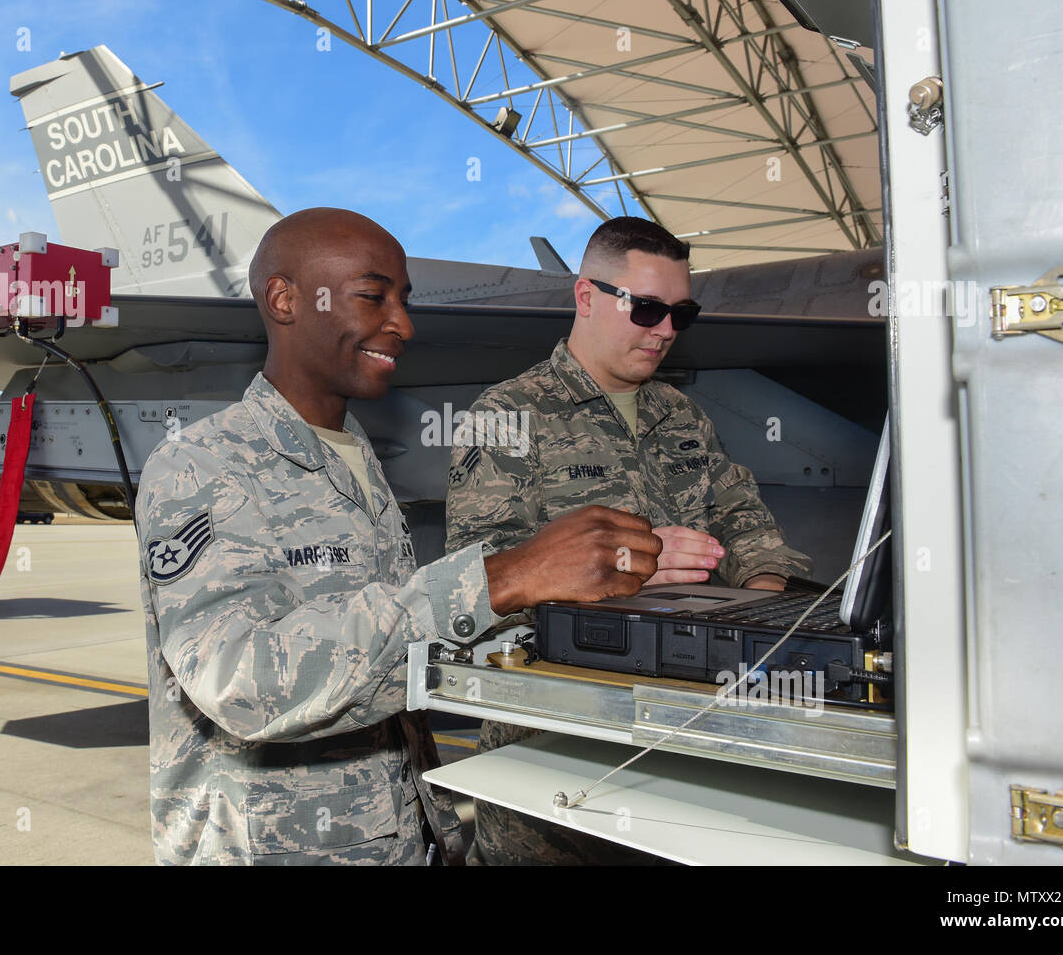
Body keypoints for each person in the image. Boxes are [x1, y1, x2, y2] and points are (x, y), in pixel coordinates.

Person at [135, 207, 663, 865]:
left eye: (405, 300)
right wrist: (506, 576)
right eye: (373, 296)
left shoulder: (355, 461)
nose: (404, 325)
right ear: (284, 299)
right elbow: (242, 681)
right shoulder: (203, 464)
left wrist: (592, 597)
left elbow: (398, 657)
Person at [446, 216, 813, 865]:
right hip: (552, 769)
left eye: (681, 313)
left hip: (685, 749)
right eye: (646, 309)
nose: (666, 331)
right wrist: (632, 568)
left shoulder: (683, 416)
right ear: (586, 297)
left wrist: (757, 615)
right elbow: (476, 598)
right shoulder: (506, 417)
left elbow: (750, 526)